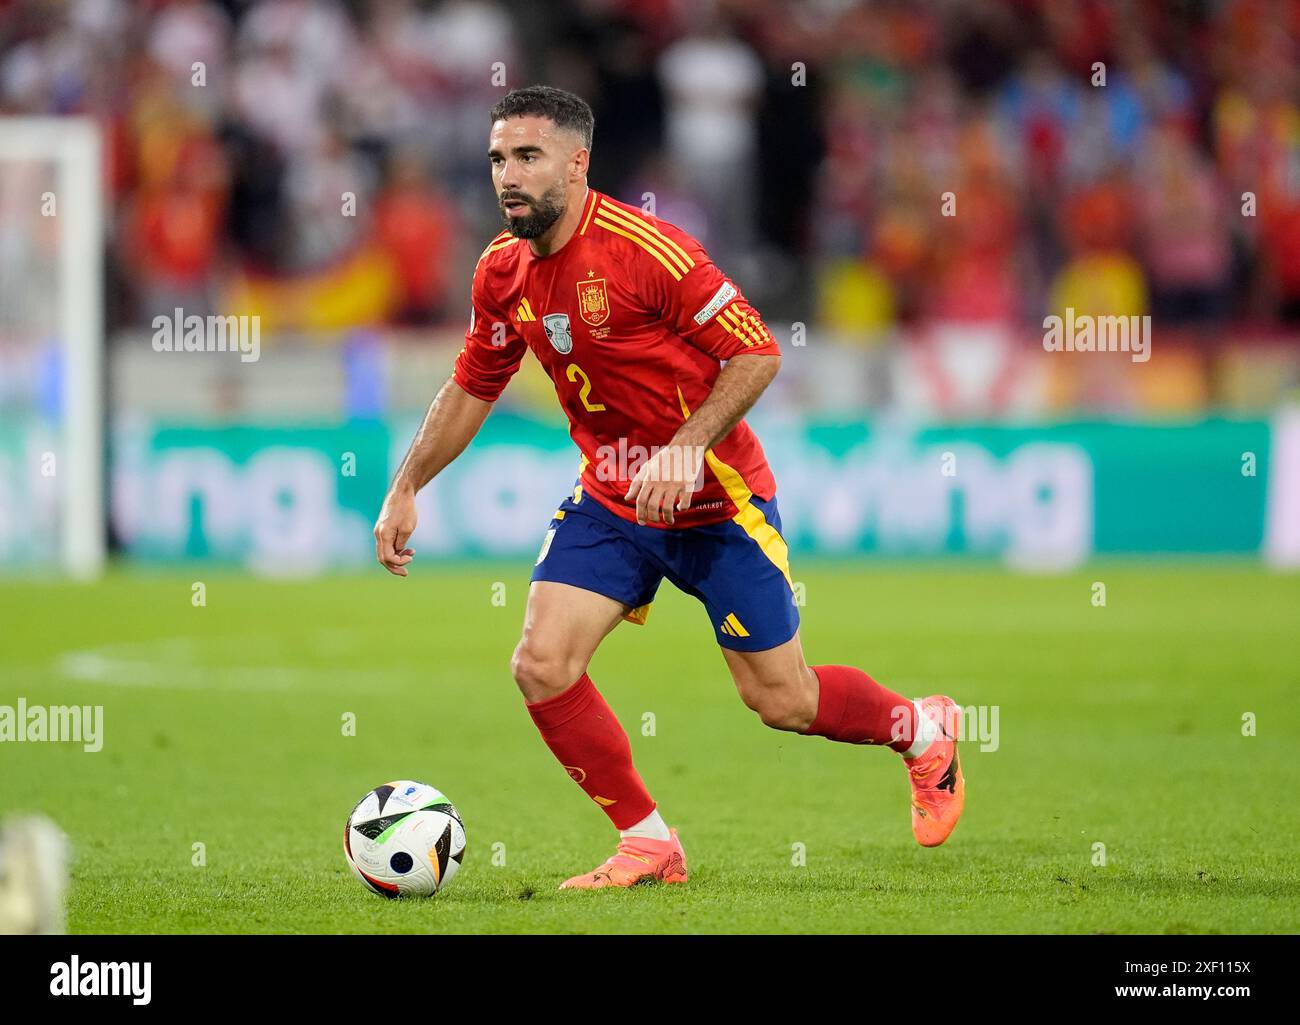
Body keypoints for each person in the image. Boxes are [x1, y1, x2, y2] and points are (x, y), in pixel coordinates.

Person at [373, 86, 965, 889]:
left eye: (527, 157)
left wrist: (686, 449)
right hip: (613, 500)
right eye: (497, 160)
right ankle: (649, 842)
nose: (507, 177)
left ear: (576, 164)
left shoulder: (647, 250)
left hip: (718, 501)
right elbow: (473, 382)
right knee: (542, 661)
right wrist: (407, 484)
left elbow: (756, 350)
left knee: (783, 699)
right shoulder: (501, 271)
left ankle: (921, 729)